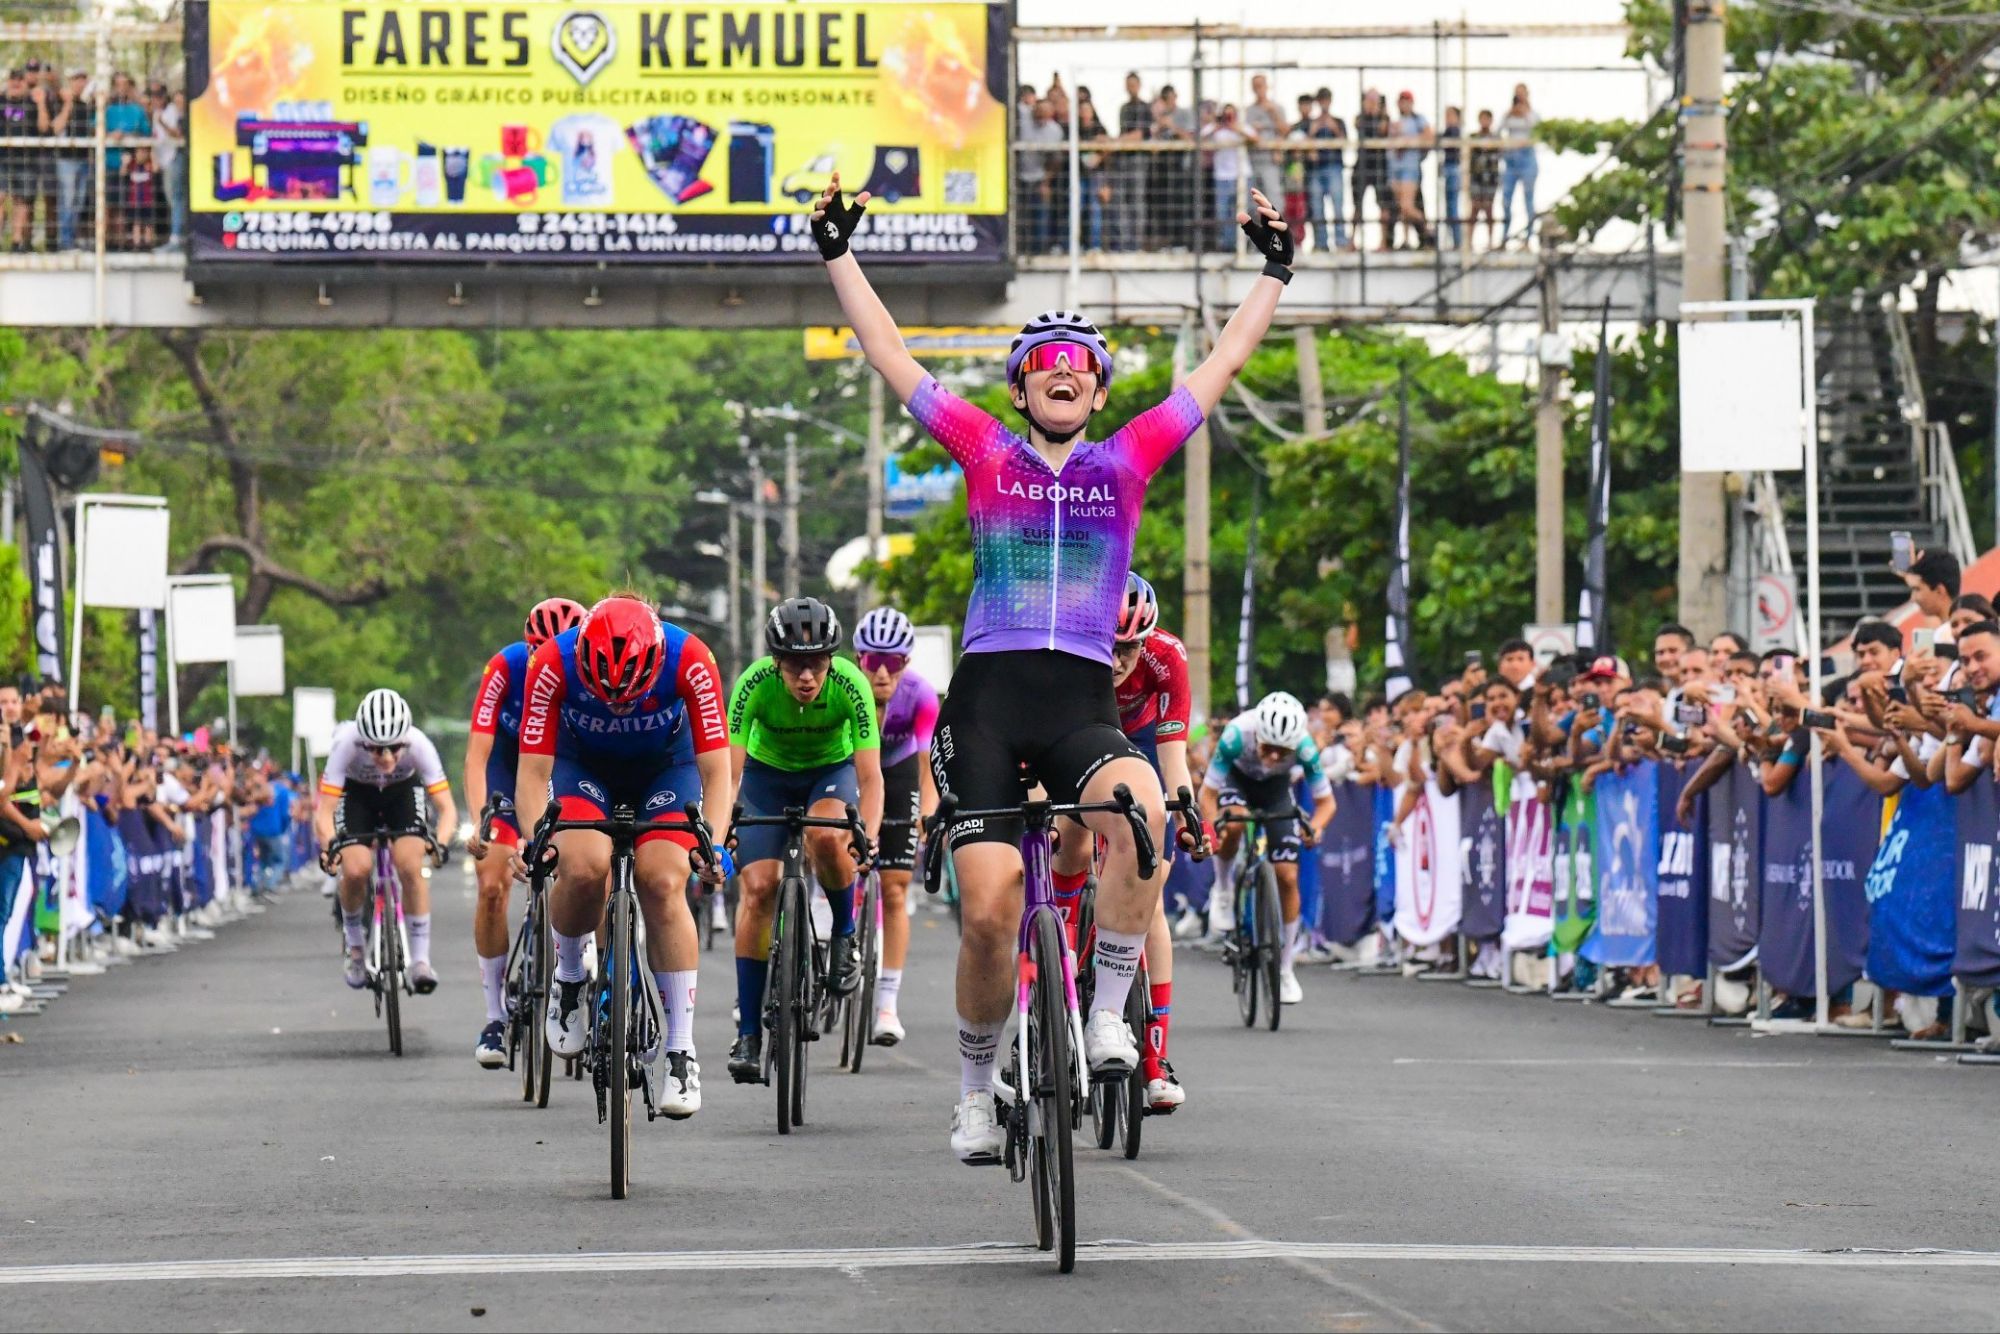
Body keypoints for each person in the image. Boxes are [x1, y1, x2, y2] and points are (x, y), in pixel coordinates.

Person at [807, 165, 1293, 1163]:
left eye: (1080, 363)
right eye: (1044, 363)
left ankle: (1108, 1012)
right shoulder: (984, 450)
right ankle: (975, 1091)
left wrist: (1274, 274)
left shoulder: (1130, 459)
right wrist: (837, 253)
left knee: (1142, 811)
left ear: (1099, 389)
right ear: (1021, 387)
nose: (1063, 371)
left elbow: (1220, 367)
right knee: (987, 913)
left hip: (1079, 697)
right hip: (986, 702)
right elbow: (889, 350)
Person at [513, 594, 730, 1120]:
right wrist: (534, 841)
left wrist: (714, 845)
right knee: (583, 865)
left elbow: (719, 771)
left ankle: (680, 1050)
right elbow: (533, 773)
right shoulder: (551, 663)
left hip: (666, 769)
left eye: (629, 694)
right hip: (581, 766)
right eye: (604, 693)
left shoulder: (692, 657)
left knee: (662, 880)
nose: (617, 705)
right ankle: (568, 979)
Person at [1049, 572, 1204, 1112]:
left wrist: (1187, 815)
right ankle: (1063, 945)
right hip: (1082, 733)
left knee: (1151, 891)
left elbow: (1174, 758)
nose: (1117, 661)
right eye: (1108, 648)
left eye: (1129, 648)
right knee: (1065, 826)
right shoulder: (1068, 658)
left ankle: (1156, 1060)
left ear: (1147, 641)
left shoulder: (1168, 659)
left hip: (1139, 743)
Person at [724, 597, 884, 1082]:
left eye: (816, 665)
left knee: (827, 837)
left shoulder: (852, 685)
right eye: (795, 666)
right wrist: (725, 826)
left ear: (831, 660)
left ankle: (843, 933)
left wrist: (867, 835)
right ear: (776, 662)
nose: (807, 677)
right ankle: (749, 1033)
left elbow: (872, 778)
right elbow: (729, 773)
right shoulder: (752, 683)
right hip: (764, 777)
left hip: (828, 775)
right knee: (758, 890)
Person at [463, 595, 586, 1069]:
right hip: (508, 774)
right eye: (538, 652)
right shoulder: (504, 667)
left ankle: (586, 962)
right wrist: (483, 819)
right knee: (492, 882)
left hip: (561, 774)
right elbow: (478, 755)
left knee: (584, 864)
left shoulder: (584, 674)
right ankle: (495, 1017)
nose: (546, 661)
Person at [315, 689, 459, 995]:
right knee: (355, 869)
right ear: (362, 740)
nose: (387, 757)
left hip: (402, 794)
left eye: (394, 748)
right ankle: (355, 949)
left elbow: (447, 808)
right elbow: (324, 812)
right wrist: (330, 847)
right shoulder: (346, 743)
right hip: (357, 796)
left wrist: (441, 843)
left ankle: (419, 960)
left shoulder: (419, 743)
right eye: (376, 749)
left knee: (410, 865)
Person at [1199, 691, 1336, 1002]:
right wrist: (1212, 828)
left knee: (1287, 875)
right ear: (1257, 734)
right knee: (1233, 822)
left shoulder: (1305, 747)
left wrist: (1315, 828)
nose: (1274, 757)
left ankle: (1285, 968)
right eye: (1268, 748)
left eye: (1282, 752)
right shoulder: (1236, 735)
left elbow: (1326, 803)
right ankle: (1223, 889)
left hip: (1275, 790)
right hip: (1237, 782)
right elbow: (1207, 795)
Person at [851, 606, 937, 1048]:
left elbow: (927, 767)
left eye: (894, 662)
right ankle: (830, 918)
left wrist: (926, 812)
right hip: (851, 770)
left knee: (897, 885)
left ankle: (886, 1004)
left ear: (907, 662)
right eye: (872, 662)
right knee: (839, 859)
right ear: (858, 659)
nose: (883, 673)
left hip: (900, 775)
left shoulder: (920, 695)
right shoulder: (845, 689)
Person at [1298, 88, 1346, 252]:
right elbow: (1305, 146)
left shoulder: (1338, 121)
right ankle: (1320, 243)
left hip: (1334, 168)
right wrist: (1313, 130)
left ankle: (1340, 242)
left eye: (1326, 99)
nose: (1324, 103)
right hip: (1315, 170)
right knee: (1317, 208)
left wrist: (1334, 128)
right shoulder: (1311, 123)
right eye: (1321, 100)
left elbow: (1345, 142)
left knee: (1338, 207)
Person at [50, 70, 92, 252]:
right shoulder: (59, 102)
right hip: (66, 160)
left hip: (83, 160)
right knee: (67, 201)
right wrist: (67, 104)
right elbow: (56, 127)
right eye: (76, 80)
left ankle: (71, 239)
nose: (80, 83)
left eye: (83, 79)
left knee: (79, 202)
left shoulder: (86, 105)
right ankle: (65, 241)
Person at [1201, 104, 1250, 251]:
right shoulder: (1215, 129)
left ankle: (1243, 244)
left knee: (1242, 212)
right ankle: (1226, 245)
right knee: (1222, 213)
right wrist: (1217, 125)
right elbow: (1199, 138)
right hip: (1222, 176)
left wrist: (1234, 127)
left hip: (1241, 175)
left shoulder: (1242, 127)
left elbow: (1255, 138)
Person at [1113, 72, 1150, 253]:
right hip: (1124, 158)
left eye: (1133, 84)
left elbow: (1140, 134)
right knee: (1122, 200)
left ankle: (1137, 243)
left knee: (1136, 200)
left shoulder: (1144, 107)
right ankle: (1125, 241)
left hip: (1137, 158)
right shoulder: (1124, 108)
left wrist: (1117, 141)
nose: (1131, 87)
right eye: (1128, 84)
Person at [1389, 91, 1431, 249]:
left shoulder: (1418, 119)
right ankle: (1405, 239)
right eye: (1401, 101)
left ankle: (1428, 230)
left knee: (1407, 206)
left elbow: (1429, 137)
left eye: (1407, 101)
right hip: (1395, 167)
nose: (1404, 104)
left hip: (1410, 167)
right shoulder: (1395, 121)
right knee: (1402, 208)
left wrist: (1408, 141)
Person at [1499, 83, 1540, 246]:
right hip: (1511, 161)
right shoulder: (1508, 115)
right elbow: (1498, 131)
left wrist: (1525, 113)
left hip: (1527, 159)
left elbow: (1536, 129)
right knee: (1506, 200)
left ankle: (1528, 237)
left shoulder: (1533, 115)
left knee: (1528, 199)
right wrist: (1508, 114)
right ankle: (1504, 237)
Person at [1351, 89, 1391, 252]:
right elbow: (1357, 124)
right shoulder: (1360, 117)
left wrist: (1378, 113)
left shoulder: (1384, 117)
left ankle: (1383, 242)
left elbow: (1383, 129)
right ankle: (1352, 241)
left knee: (1383, 205)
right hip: (1362, 164)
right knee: (1357, 205)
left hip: (1379, 164)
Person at [245, 766, 294, 894]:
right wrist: (283, 829)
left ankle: (257, 886)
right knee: (279, 860)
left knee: (263, 860)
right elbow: (285, 814)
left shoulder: (253, 790)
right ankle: (269, 884)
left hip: (257, 830)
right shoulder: (281, 791)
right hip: (273, 830)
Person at [1244, 74, 1287, 207]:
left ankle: (1276, 227)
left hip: (1270, 162)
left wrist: (1273, 113)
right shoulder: (1248, 111)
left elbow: (1284, 130)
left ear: (1267, 86)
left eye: (1261, 85)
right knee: (1254, 203)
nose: (1258, 89)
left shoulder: (1277, 108)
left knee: (1274, 200)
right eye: (1255, 86)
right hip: (1252, 161)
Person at [151, 84, 185, 252]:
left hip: (174, 158)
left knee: (177, 199)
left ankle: (177, 238)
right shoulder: (156, 113)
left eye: (159, 96)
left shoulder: (172, 111)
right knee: (173, 199)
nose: (156, 99)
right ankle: (178, 236)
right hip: (164, 160)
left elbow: (177, 133)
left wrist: (162, 123)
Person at [1469, 108, 1500, 249]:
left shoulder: (1496, 138)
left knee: (1489, 208)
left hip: (1491, 178)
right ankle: (1469, 241)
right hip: (1476, 177)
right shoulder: (1473, 137)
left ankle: (1491, 241)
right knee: (1474, 209)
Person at [1438, 106, 1464, 249]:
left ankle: (1457, 241)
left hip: (1453, 170)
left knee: (1452, 207)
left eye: (1450, 115)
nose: (1447, 118)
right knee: (1450, 207)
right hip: (1449, 169)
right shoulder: (1451, 131)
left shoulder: (1454, 131)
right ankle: (1454, 241)